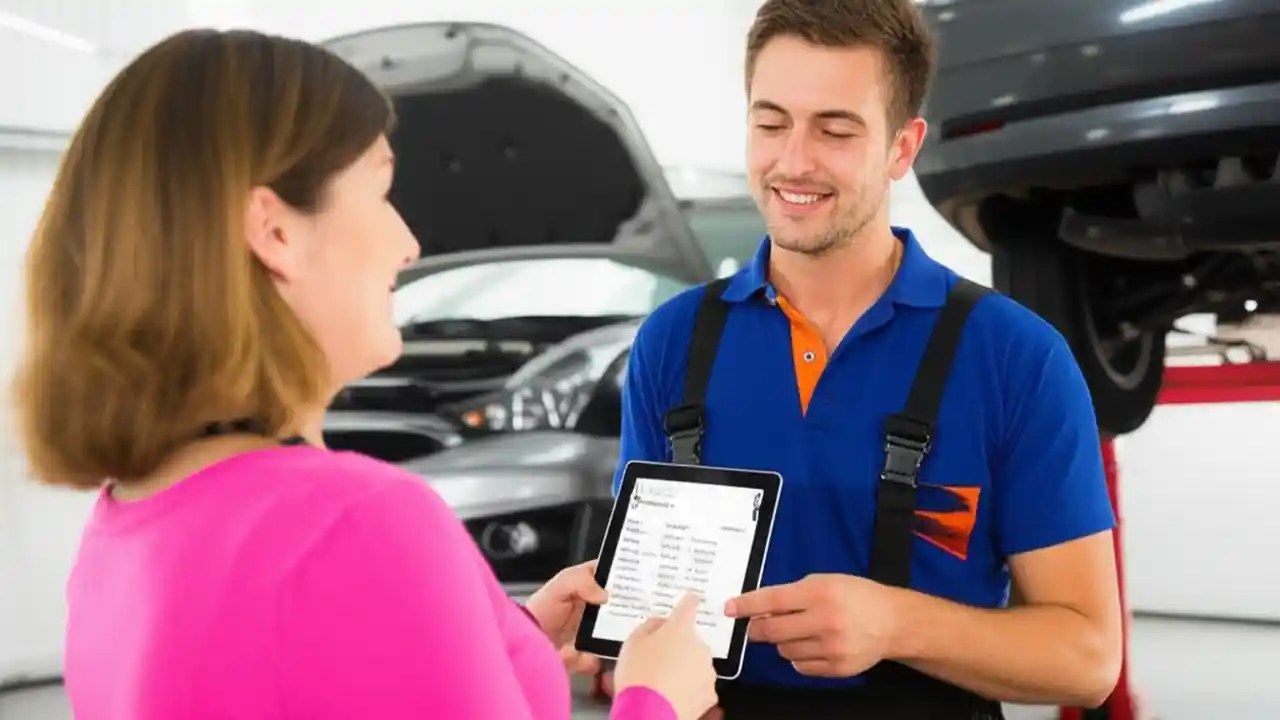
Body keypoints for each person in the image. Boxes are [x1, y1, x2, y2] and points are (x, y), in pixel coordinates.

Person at [10, 28, 718, 720]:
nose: (408, 244)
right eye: (382, 192)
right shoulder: (358, 523)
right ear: (275, 231)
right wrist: (656, 699)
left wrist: (506, 639)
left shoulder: (122, 528)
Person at [611, 1, 1124, 718]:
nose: (793, 161)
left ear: (902, 148)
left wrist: (895, 624)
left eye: (835, 130)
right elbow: (646, 620)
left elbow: (1089, 660)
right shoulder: (672, 343)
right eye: (770, 122)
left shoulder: (1016, 358)